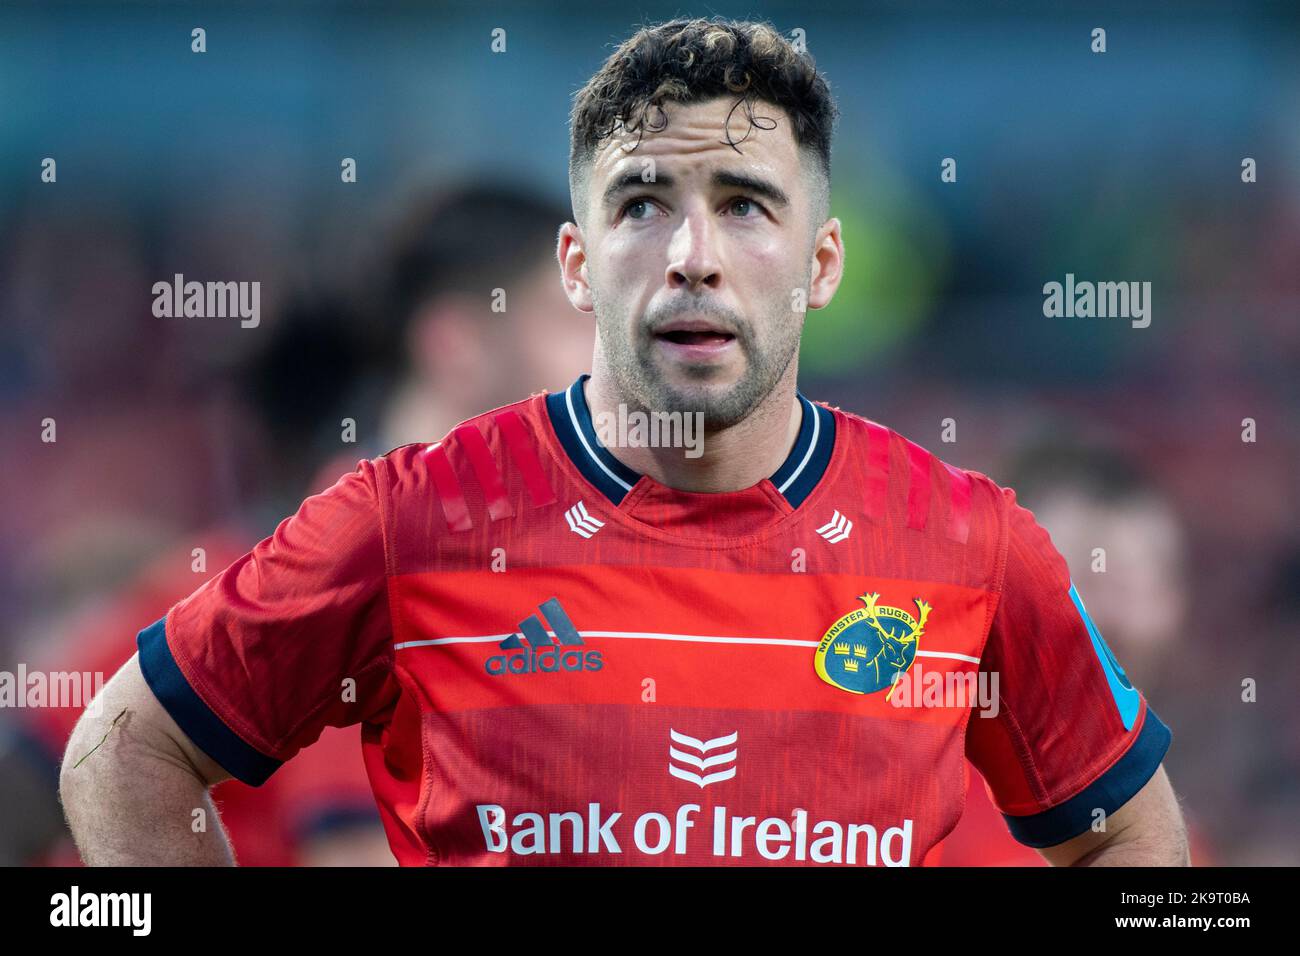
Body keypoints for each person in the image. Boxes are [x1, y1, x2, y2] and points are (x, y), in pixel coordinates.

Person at [60, 17, 1187, 867]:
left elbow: (1127, 836)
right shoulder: (410, 516)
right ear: (578, 262)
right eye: (642, 203)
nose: (692, 251)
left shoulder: (967, 541)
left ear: (825, 262)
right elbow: (123, 751)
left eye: (746, 203)